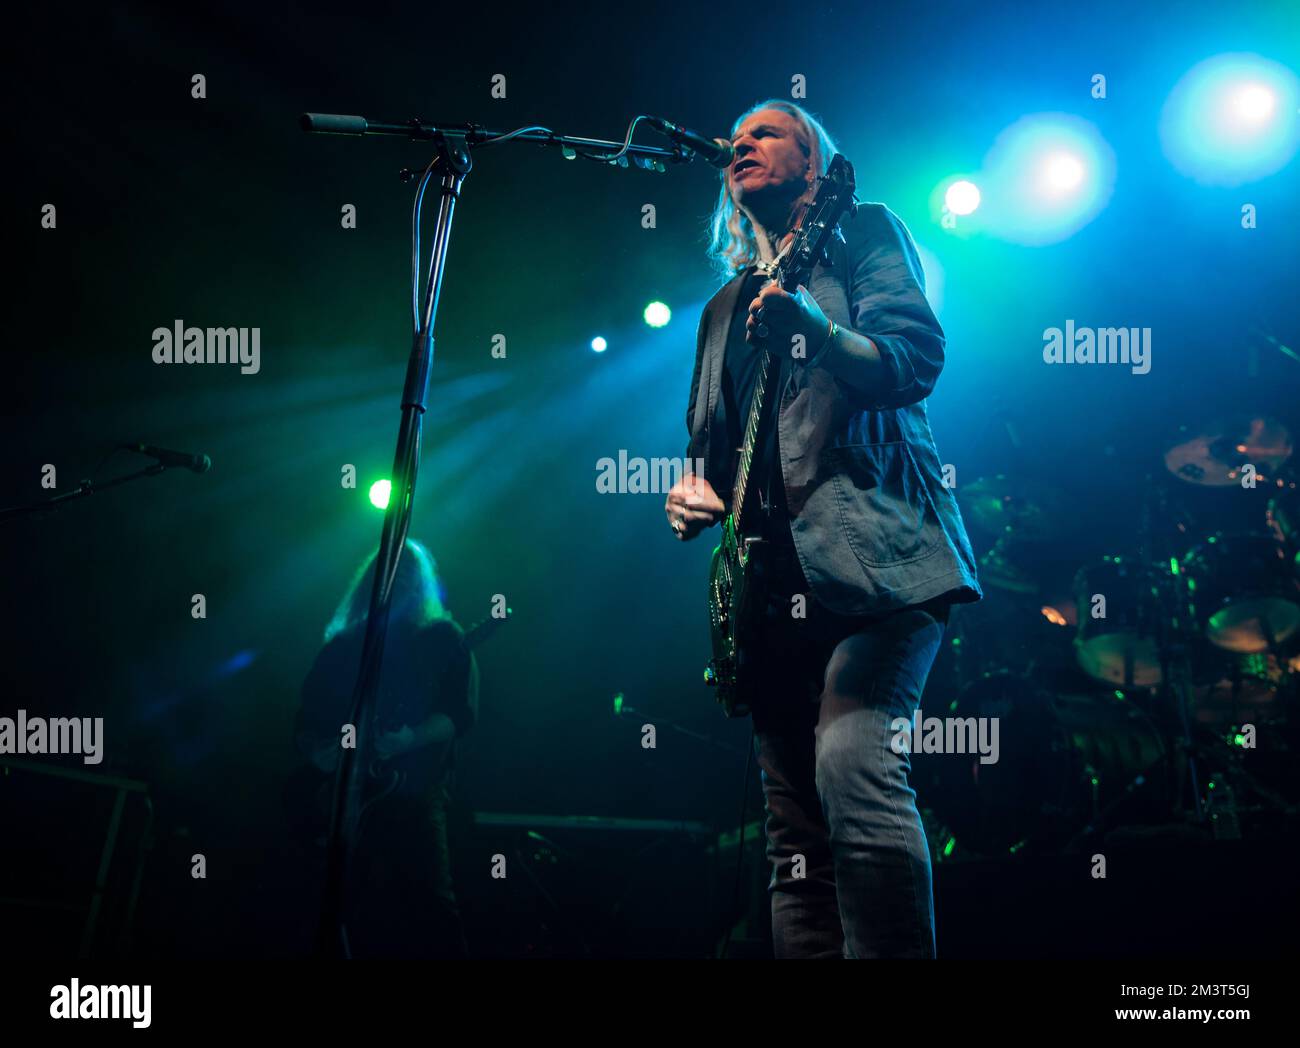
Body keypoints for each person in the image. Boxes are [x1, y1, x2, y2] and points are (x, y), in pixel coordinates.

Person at [666, 100, 981, 959]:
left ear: (815, 164)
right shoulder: (722, 307)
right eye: (735, 135)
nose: (741, 142)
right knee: (794, 841)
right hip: (771, 595)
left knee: (854, 770)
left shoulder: (863, 232)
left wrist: (818, 331)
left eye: (767, 132)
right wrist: (693, 494)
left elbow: (914, 359)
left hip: (881, 558)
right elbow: (709, 446)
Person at [293, 538, 478, 958]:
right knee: (339, 906)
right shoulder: (344, 646)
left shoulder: (443, 639)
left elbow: (460, 715)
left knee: (429, 907)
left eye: (406, 581)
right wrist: (316, 750)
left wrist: (411, 738)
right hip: (344, 798)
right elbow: (307, 715)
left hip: (412, 794)